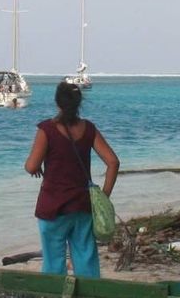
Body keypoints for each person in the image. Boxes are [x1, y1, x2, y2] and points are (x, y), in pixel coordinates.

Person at [24, 81, 119, 277]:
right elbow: (113, 163)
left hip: (53, 207)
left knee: (53, 261)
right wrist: (103, 197)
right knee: (86, 259)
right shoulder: (89, 129)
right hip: (82, 206)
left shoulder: (47, 130)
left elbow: (31, 166)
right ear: (78, 103)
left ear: (57, 103)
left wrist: (38, 167)